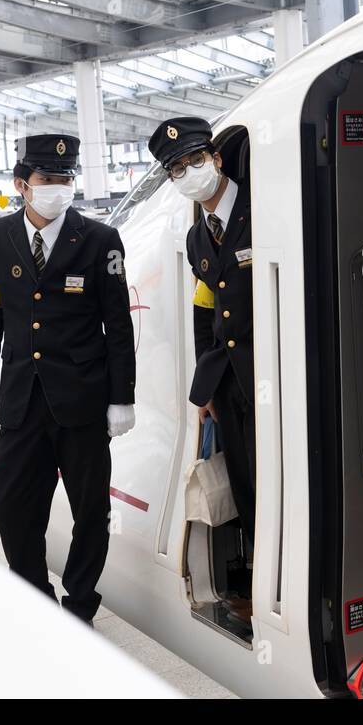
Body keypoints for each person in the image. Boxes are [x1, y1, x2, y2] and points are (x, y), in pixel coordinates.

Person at [0, 134, 136, 625]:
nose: (59, 187)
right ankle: (36, 596)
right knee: (13, 506)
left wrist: (121, 397)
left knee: (90, 512)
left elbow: (118, 324)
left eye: (66, 178)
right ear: (22, 184)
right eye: (47, 179)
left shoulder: (101, 240)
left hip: (82, 402)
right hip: (21, 400)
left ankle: (80, 604)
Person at [146, 117, 256, 617]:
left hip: (272, 375)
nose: (189, 173)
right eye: (177, 169)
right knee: (246, 481)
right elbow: (204, 308)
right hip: (230, 382)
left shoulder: (264, 213)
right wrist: (204, 390)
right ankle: (256, 580)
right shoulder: (197, 238)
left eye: (194, 160)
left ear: (215, 158)